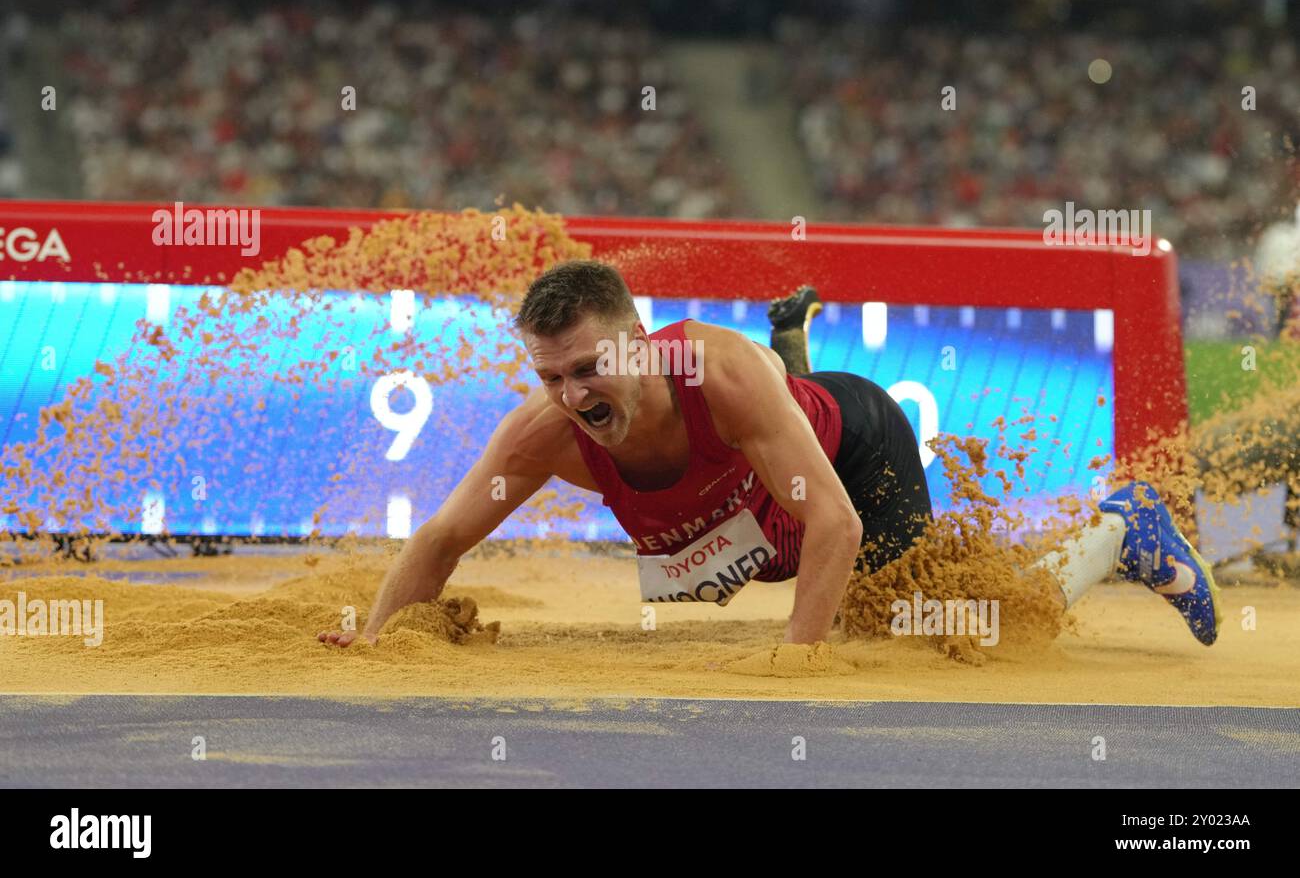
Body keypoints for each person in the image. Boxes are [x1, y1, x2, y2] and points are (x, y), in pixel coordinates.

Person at [319, 260, 1221, 649]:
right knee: (769, 438)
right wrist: (374, 636)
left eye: (590, 368)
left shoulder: (711, 368)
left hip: (855, 453)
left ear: (639, 341)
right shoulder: (545, 434)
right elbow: (440, 540)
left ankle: (1120, 527)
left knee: (934, 630)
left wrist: (798, 658)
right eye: (550, 375)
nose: (572, 396)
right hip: (771, 455)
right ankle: (792, 349)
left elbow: (833, 519)